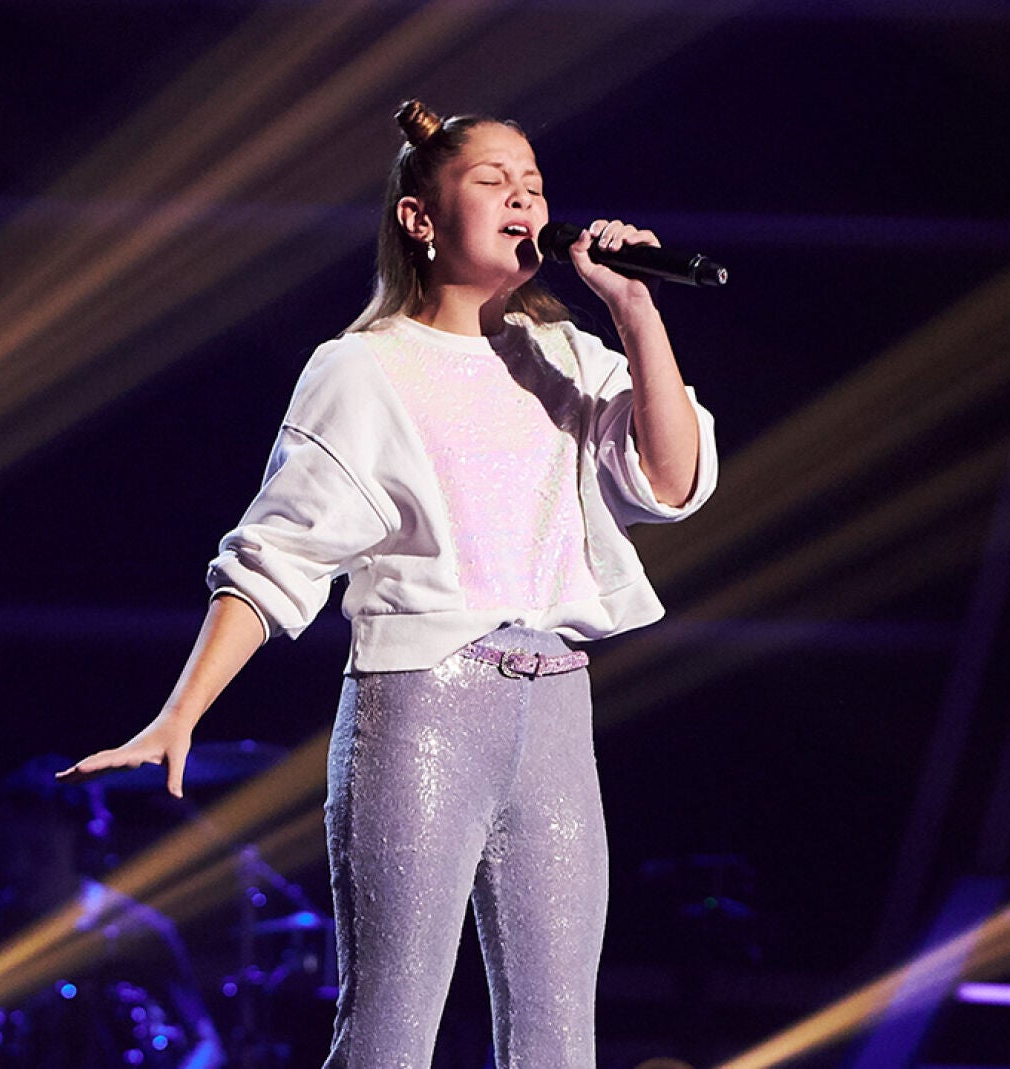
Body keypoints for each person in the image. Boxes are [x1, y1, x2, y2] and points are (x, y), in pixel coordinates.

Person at [59, 99, 718, 1068]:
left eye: (534, 185)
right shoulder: (363, 370)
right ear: (419, 217)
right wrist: (179, 712)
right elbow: (274, 556)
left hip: (557, 709)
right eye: (494, 181)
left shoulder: (571, 361)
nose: (524, 199)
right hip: (421, 708)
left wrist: (635, 309)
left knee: (558, 1041)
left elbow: (670, 479)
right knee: (389, 1033)